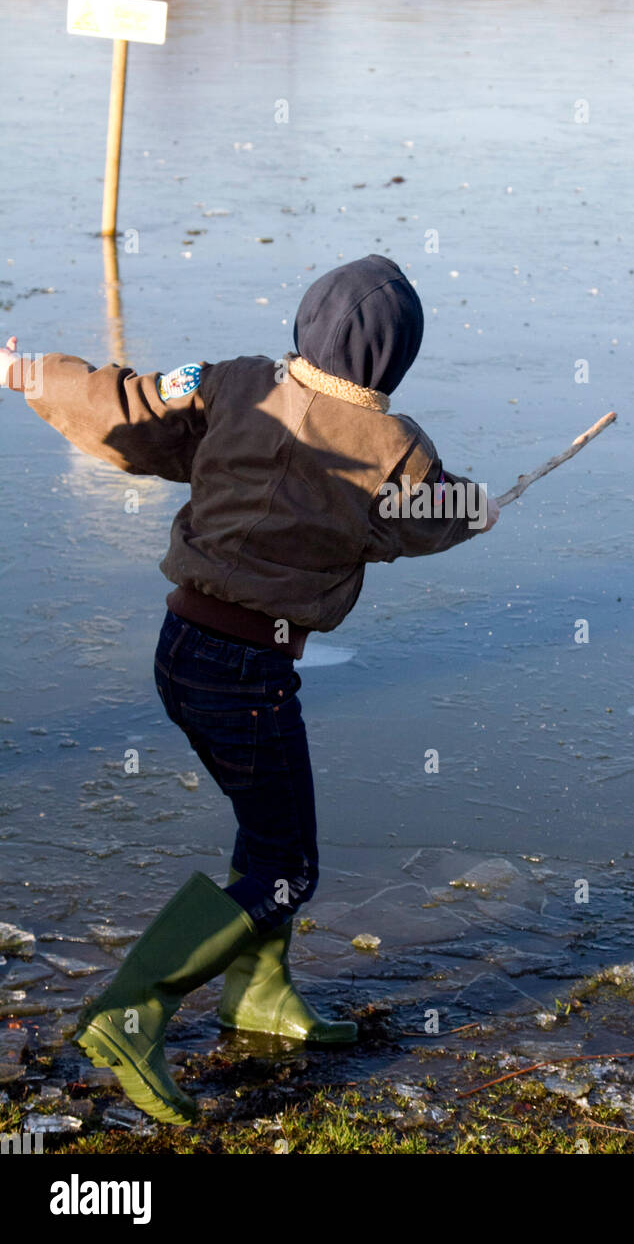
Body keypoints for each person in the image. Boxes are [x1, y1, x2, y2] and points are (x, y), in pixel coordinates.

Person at [0, 254, 499, 1125]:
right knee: (289, 867)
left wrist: (32, 373)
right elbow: (428, 519)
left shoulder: (236, 385)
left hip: (182, 647)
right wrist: (480, 506)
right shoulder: (392, 448)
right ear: (397, 358)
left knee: (265, 835)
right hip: (250, 674)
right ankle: (130, 1012)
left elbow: (125, 407)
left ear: (305, 322)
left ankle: (260, 995)